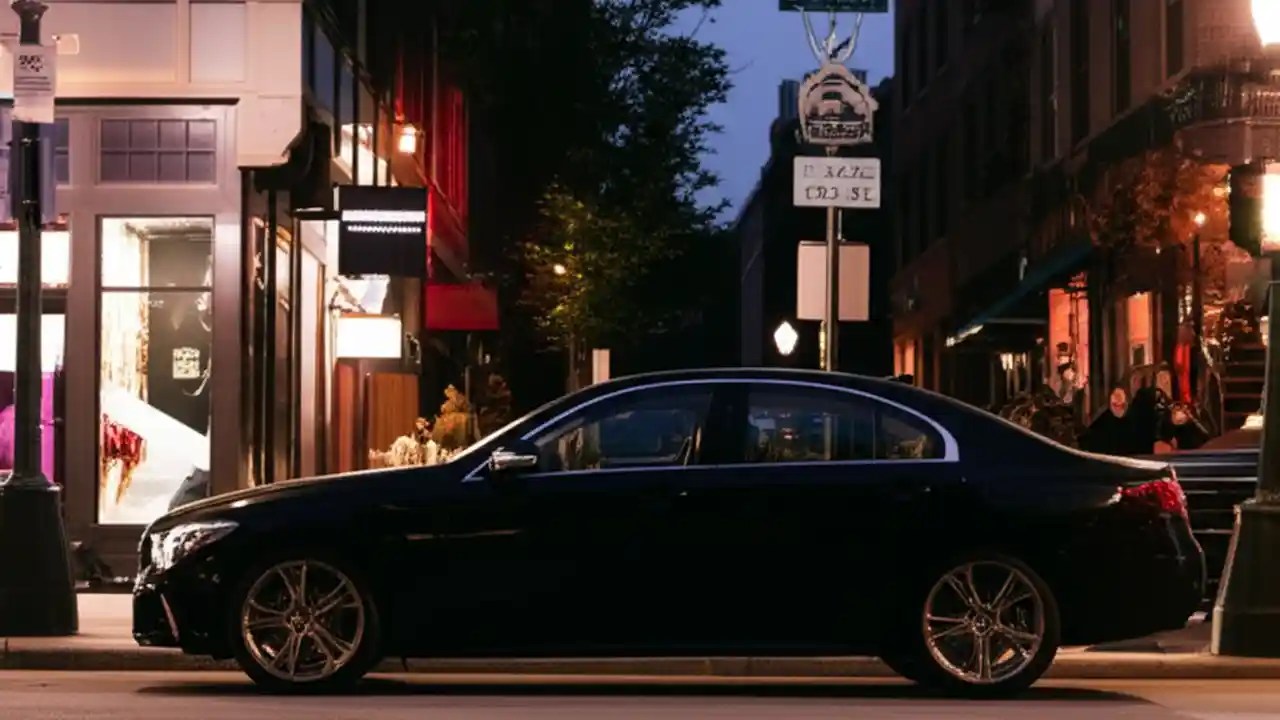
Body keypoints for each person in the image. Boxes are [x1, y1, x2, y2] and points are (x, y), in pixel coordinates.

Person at [1083, 385, 1143, 455]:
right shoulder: (1102, 421)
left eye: (1121, 405)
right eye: (1115, 404)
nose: (1117, 400)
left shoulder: (1134, 421)